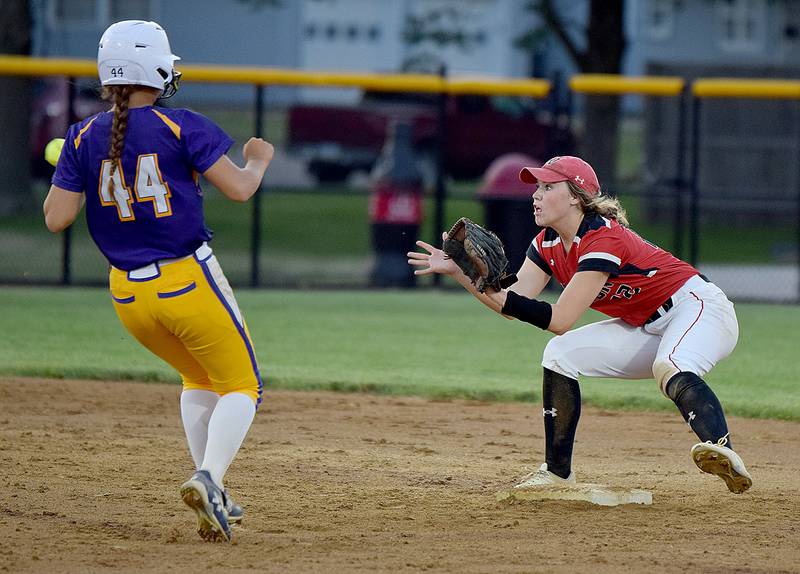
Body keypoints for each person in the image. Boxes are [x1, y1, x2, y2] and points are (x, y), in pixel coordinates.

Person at [43, 20, 275, 541]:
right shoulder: (181, 125)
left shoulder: (81, 135)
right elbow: (239, 189)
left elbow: (56, 219)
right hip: (186, 280)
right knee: (242, 386)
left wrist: (72, 168)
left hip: (127, 296)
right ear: (158, 69)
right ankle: (209, 478)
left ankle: (211, 492)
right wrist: (258, 161)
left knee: (198, 379)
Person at [408, 155, 752, 494]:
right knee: (560, 354)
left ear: (575, 195)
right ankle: (557, 473)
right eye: (537, 188)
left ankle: (721, 448)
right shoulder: (547, 244)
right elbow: (511, 304)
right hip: (647, 325)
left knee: (672, 363)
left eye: (547, 187)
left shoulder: (602, 238)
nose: (535, 195)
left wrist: (484, 284)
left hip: (699, 309)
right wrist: (460, 272)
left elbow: (560, 319)